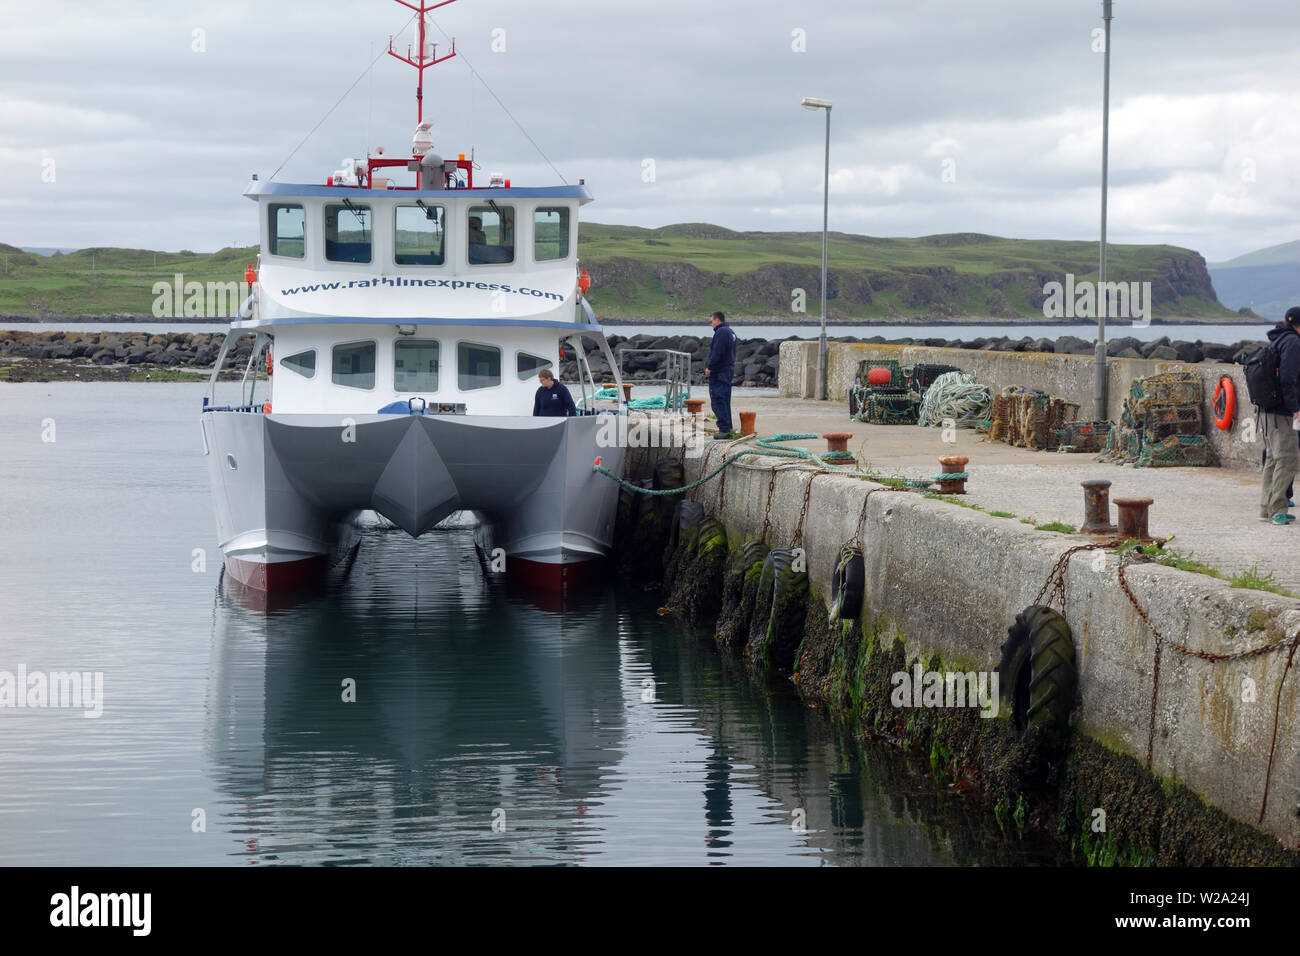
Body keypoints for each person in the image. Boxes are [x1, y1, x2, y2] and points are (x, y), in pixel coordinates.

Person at [1259, 306, 1300, 525]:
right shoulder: (1293, 342)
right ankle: (1277, 510)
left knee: (1274, 459)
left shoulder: (1277, 339)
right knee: (1288, 458)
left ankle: (1266, 508)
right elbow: (1288, 377)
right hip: (1282, 411)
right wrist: (1295, 408)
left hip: (1268, 408)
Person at [704, 310, 738, 437]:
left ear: (718, 320)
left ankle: (724, 429)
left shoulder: (721, 332)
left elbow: (717, 352)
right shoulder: (730, 331)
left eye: (711, 320)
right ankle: (727, 427)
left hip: (720, 372)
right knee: (724, 399)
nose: (710, 323)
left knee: (718, 400)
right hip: (727, 370)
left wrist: (710, 367)